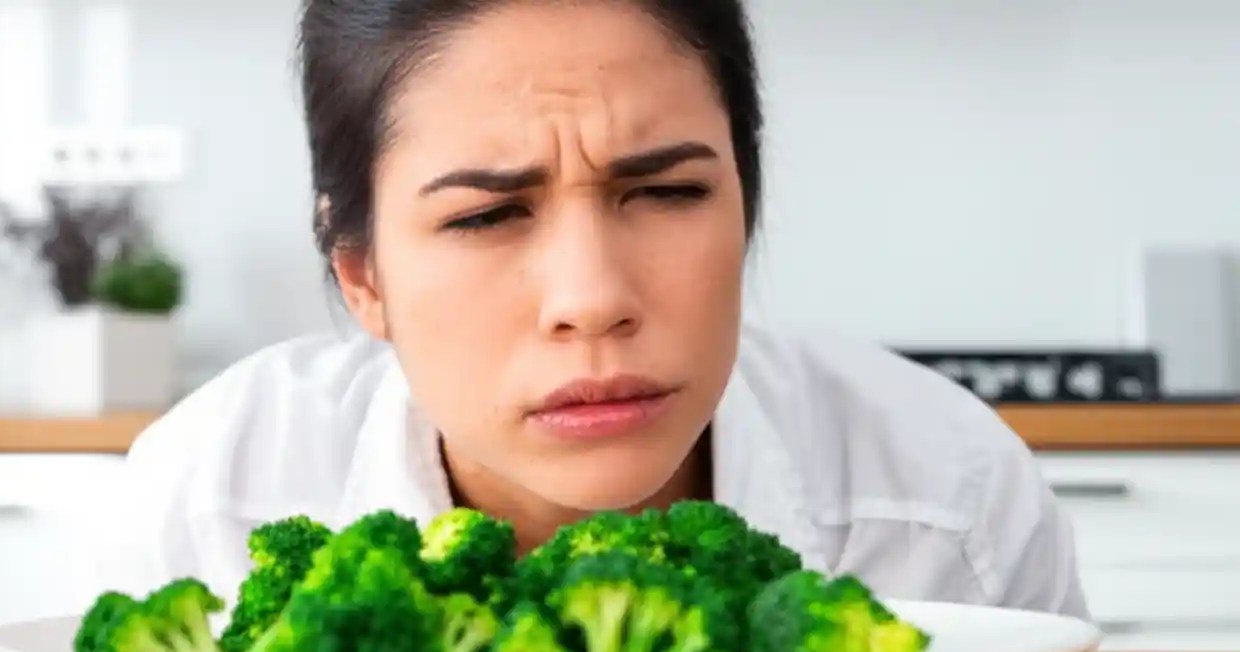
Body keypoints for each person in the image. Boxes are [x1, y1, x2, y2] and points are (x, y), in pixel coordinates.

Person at [109, 0, 1089, 620]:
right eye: (488, 213)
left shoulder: (943, 510)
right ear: (362, 273)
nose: (591, 300)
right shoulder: (207, 505)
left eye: (665, 194)